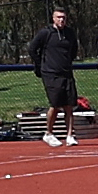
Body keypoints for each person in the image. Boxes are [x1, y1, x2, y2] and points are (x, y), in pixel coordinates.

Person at [30, 8, 79, 147]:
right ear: (53, 18)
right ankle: (49, 133)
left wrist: (69, 61)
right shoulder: (46, 33)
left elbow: (74, 49)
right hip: (50, 73)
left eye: (63, 17)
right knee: (55, 104)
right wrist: (40, 65)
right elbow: (32, 49)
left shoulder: (69, 33)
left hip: (67, 72)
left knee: (69, 105)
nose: (61, 20)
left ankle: (70, 135)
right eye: (58, 17)